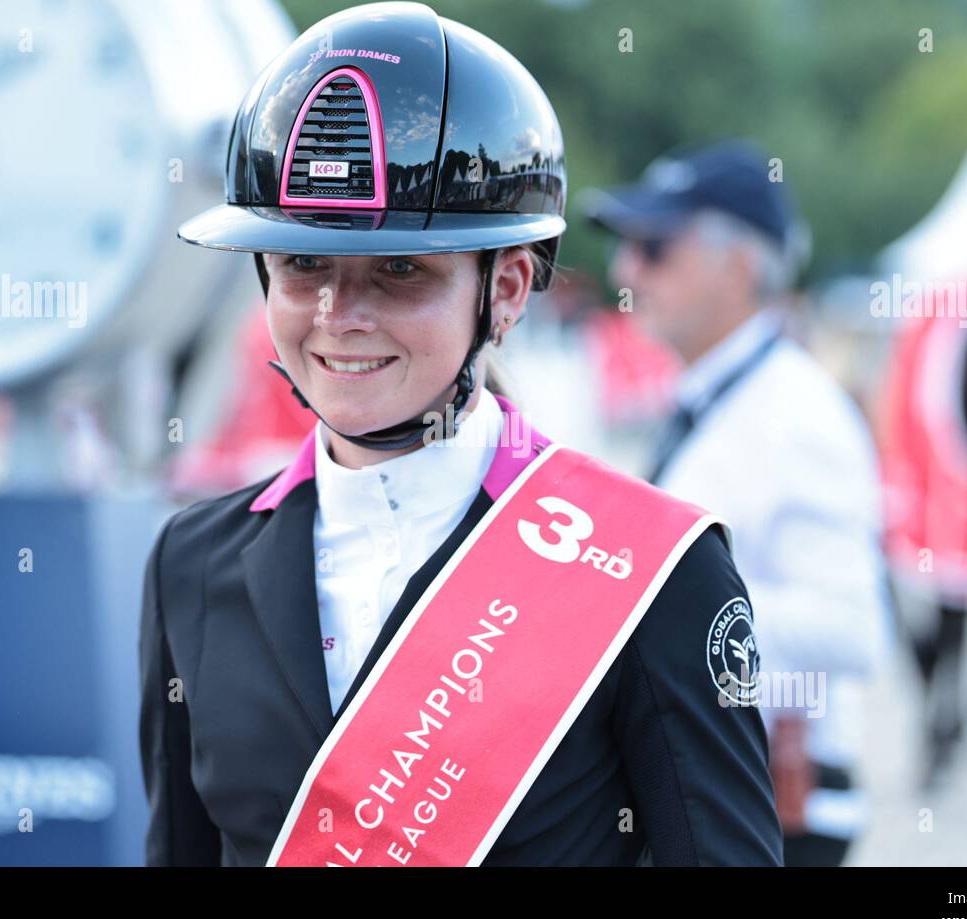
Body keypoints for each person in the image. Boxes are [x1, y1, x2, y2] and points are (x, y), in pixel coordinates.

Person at [138, 3, 782, 867]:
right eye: (302, 265)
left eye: (401, 270)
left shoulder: (655, 574)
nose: (341, 317)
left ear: (508, 288)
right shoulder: (190, 563)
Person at [579, 140, 893, 866]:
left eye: (654, 249)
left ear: (741, 267)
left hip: (774, 808)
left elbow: (852, 630)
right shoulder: (723, 395)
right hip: (724, 789)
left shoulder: (795, 415)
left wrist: (656, 625)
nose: (626, 270)